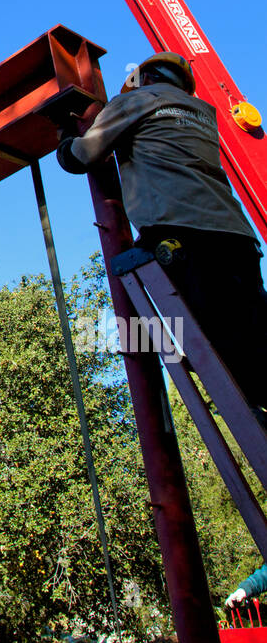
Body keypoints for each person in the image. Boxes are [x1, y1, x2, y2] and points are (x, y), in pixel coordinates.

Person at [57, 51, 267, 418]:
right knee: (254, 328)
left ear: (143, 79)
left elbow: (83, 156)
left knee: (214, 337)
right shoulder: (204, 114)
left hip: (181, 233)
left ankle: (249, 410)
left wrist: (64, 138)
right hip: (237, 237)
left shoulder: (137, 101)